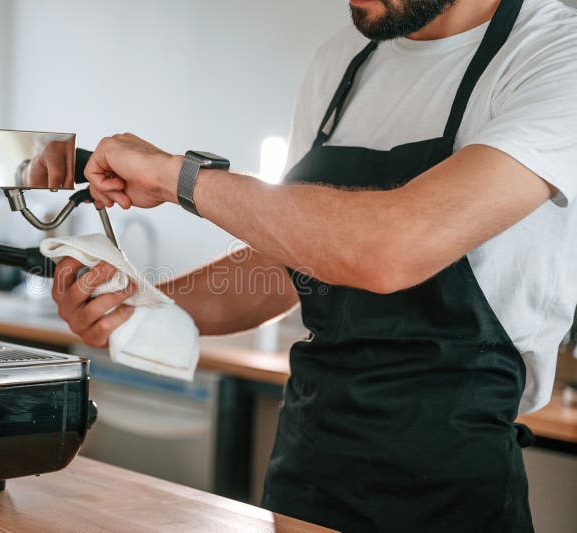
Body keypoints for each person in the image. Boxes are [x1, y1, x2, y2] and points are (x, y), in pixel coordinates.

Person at [50, 0, 577, 530]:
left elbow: (390, 247)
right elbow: (290, 262)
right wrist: (134, 306)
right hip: (307, 478)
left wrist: (179, 179)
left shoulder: (553, 53)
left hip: (452, 495)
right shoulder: (342, 59)